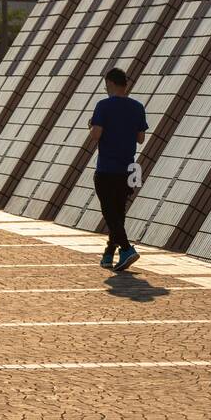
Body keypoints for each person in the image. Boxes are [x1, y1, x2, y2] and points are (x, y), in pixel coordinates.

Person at [86, 67, 148, 271]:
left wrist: (91, 125)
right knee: (118, 213)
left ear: (111, 83)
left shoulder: (103, 106)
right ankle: (108, 255)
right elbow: (140, 138)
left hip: (106, 168)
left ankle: (126, 248)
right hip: (127, 168)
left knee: (110, 213)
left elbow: (96, 135)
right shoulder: (137, 107)